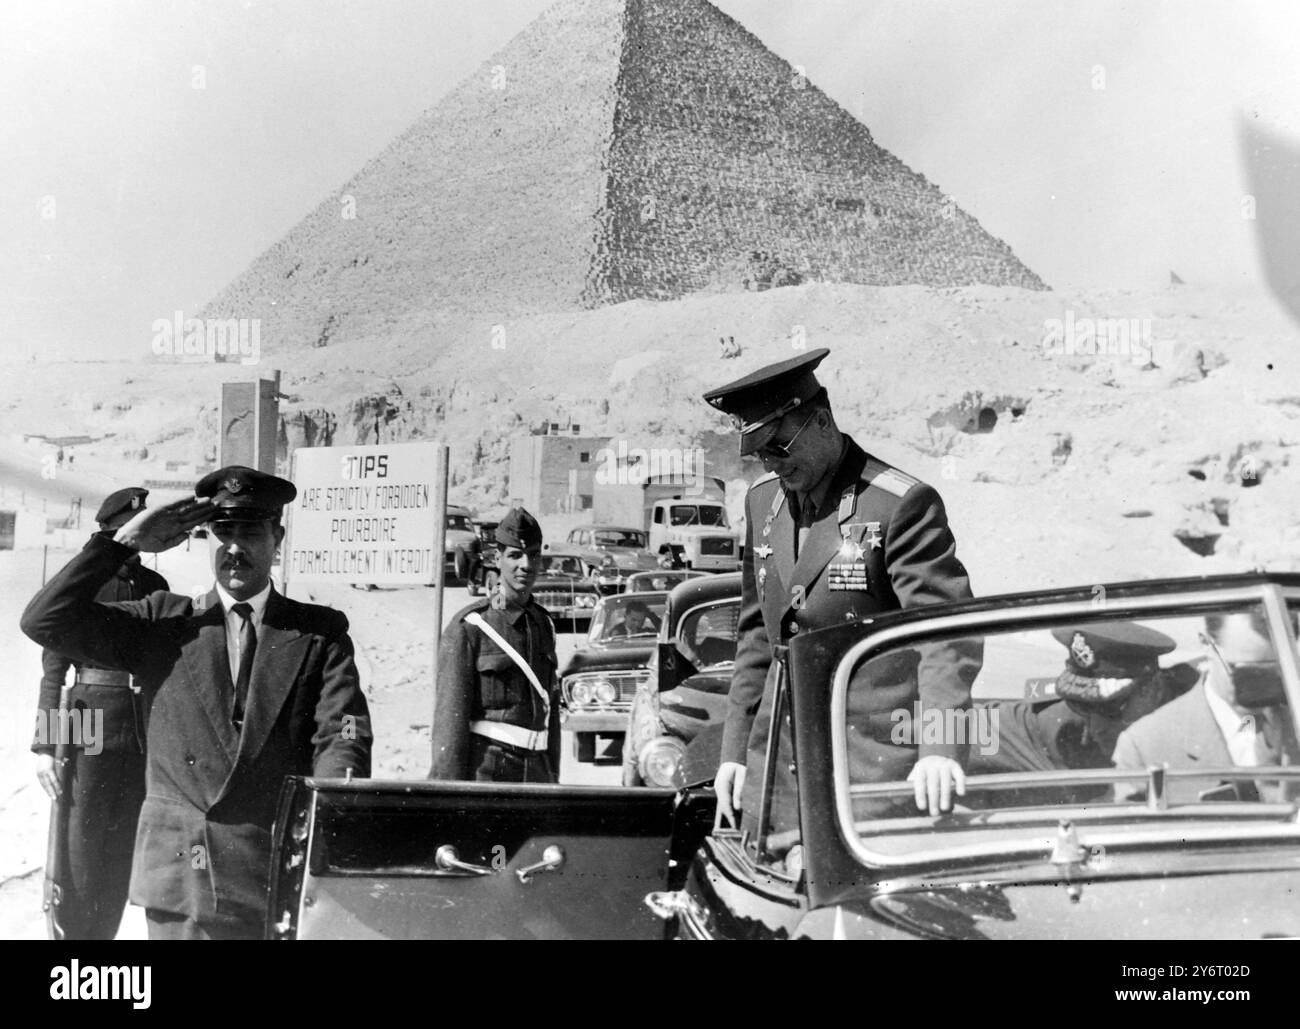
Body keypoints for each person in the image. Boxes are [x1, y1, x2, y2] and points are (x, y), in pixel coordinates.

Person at [21, 465, 373, 940]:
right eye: (222, 531)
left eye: (250, 531)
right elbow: (45, 623)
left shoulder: (318, 633)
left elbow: (342, 733)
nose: (233, 547)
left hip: (269, 867)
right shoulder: (164, 621)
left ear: (278, 537)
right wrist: (122, 543)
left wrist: (327, 818)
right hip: (180, 876)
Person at [702, 347, 981, 827]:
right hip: (779, 773)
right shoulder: (762, 503)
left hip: (873, 774)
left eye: (779, 447)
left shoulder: (899, 505)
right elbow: (755, 637)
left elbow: (946, 634)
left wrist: (940, 747)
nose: (772, 465)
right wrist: (735, 749)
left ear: (822, 424)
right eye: (761, 453)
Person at [32, 486, 169, 940]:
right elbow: (54, 672)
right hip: (87, 717)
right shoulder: (82, 584)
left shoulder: (156, 587)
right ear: (110, 531)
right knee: (81, 839)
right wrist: (47, 747)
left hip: (140, 728)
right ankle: (73, 937)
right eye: (124, 531)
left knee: (123, 840)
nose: (134, 541)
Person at [429, 507, 560, 783]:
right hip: (489, 770)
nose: (525, 564)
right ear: (497, 559)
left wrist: (553, 776)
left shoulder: (543, 624)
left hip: (537, 771)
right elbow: (449, 726)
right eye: (515, 555)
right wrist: (445, 793)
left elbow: (552, 714)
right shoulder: (471, 627)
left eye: (533, 555)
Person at [1113, 610, 1298, 804]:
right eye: (1244, 671)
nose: (1260, 686)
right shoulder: (1145, 745)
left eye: (1275, 671)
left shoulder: (1294, 724)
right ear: (1206, 644)